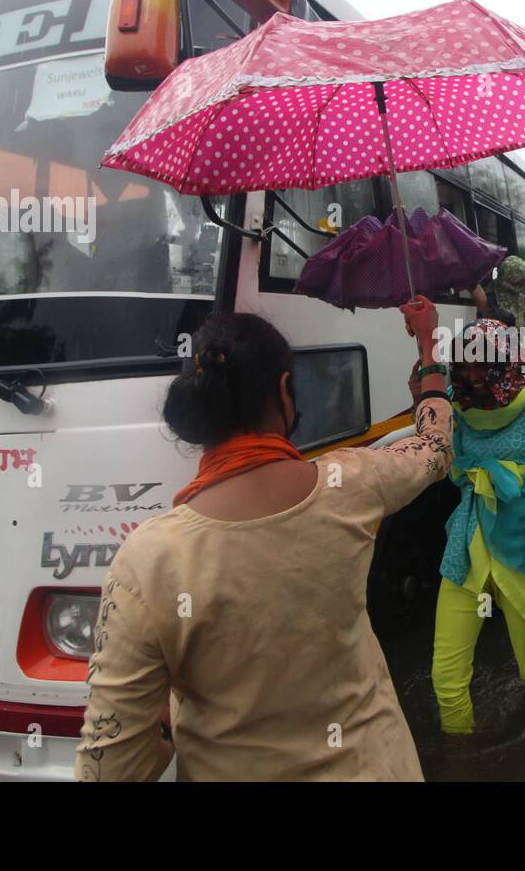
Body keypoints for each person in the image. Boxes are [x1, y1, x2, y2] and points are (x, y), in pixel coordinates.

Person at [75, 297, 452, 781]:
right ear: (284, 390)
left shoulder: (148, 561)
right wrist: (427, 345)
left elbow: (113, 765)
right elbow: (434, 447)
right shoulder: (352, 485)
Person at [433, 318, 525, 734]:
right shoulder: (455, 403)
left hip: (519, 549)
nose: (475, 377)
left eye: (485, 366)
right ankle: (460, 762)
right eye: (465, 366)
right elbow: (449, 463)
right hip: (467, 545)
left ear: (506, 362)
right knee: (447, 682)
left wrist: (510, 478)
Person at [471, 255, 525, 333]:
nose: (521, 284)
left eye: (522, 280)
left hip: (514, 347)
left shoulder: (520, 299)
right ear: (507, 276)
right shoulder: (487, 293)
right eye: (517, 280)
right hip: (492, 346)